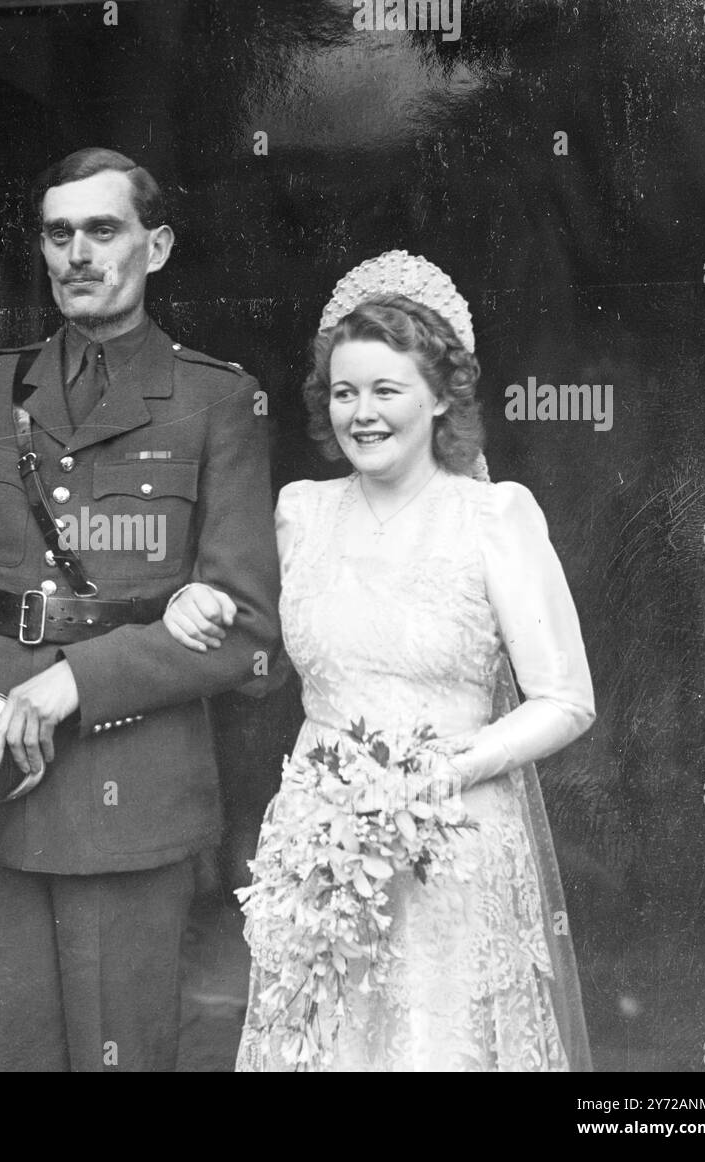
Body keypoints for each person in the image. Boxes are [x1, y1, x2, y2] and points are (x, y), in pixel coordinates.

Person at [165, 250, 596, 1071]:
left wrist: (442, 773)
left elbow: (567, 700)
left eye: (386, 390)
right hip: (317, 847)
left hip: (455, 844)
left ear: (440, 398)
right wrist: (196, 602)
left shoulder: (494, 517)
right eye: (344, 391)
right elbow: (251, 634)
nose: (362, 413)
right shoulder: (300, 512)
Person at [0, 147, 281, 1071]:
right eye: (59, 233)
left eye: (104, 230)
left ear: (155, 246)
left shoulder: (215, 399)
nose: (79, 254)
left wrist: (72, 684)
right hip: (0, 773)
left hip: (133, 785)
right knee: (13, 1055)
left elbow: (247, 635)